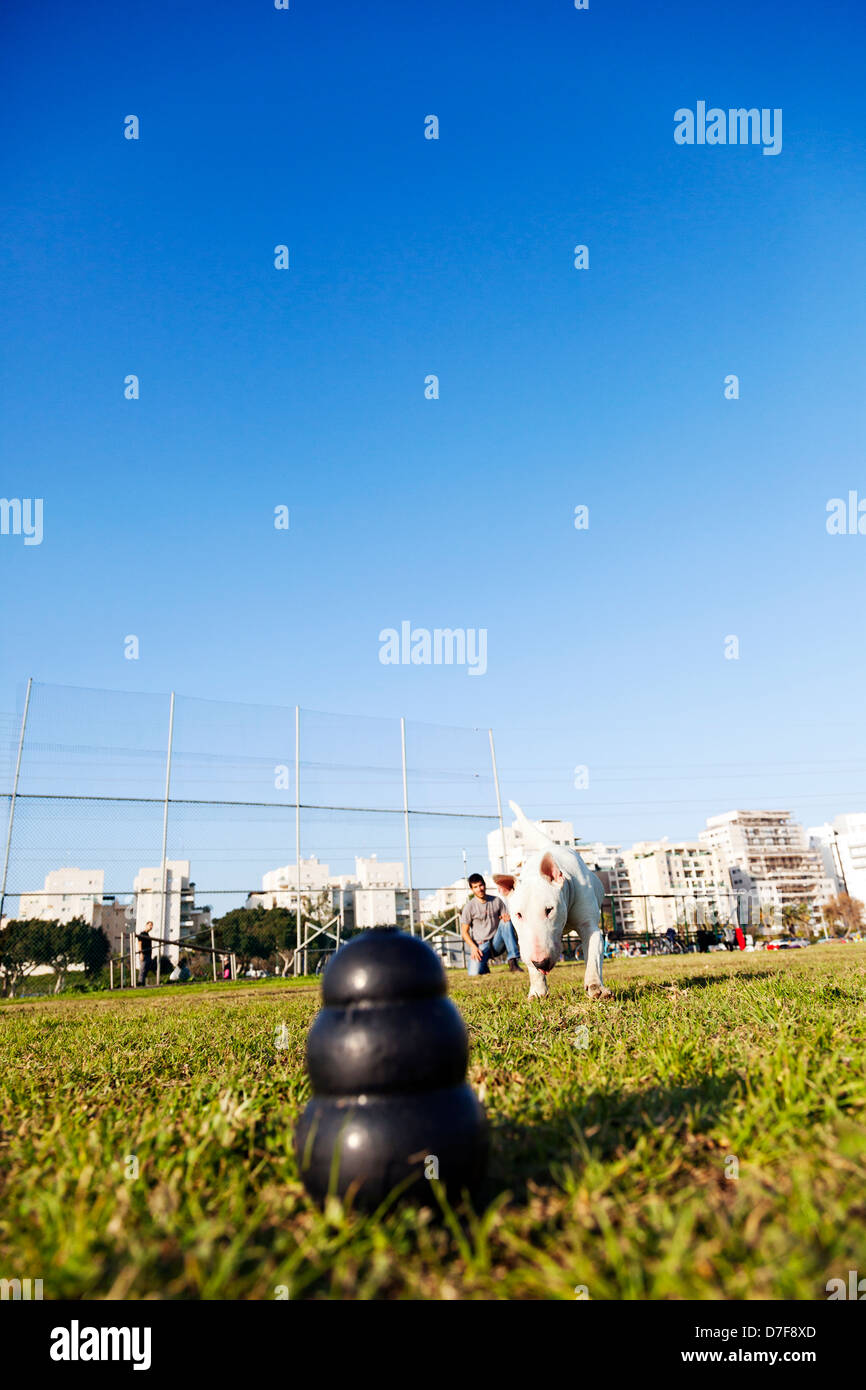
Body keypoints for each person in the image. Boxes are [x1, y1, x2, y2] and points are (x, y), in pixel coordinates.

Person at [460, 873, 522, 976]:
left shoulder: (496, 901)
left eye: (481, 885)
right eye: (475, 887)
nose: (479, 889)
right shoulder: (469, 907)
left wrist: (507, 917)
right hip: (481, 945)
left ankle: (513, 961)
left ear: (484, 885)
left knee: (506, 923)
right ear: (472, 889)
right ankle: (483, 966)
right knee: (474, 973)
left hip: (497, 942)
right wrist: (473, 948)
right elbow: (464, 932)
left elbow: (505, 919)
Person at [137, 921, 154, 987]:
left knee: (146, 969)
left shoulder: (148, 935)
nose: (151, 927)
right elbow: (139, 943)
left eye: (152, 926)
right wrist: (141, 953)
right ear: (146, 925)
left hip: (148, 954)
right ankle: (140, 982)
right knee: (143, 968)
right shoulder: (142, 934)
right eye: (150, 925)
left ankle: (143, 982)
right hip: (144, 954)